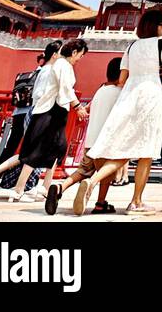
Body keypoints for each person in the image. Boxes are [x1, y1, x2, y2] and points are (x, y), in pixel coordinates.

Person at [78, 8, 162, 214]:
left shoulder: (131, 46)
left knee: (124, 147)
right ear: (157, 26)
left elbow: (121, 79)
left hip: (129, 95)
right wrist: (157, 67)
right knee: (146, 151)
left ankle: (93, 181)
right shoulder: (161, 43)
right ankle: (136, 202)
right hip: (151, 95)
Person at [0, 39, 88, 204]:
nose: (79, 59)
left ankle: (45, 188)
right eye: (80, 56)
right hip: (52, 111)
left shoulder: (60, 65)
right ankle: (18, 189)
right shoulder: (63, 65)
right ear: (75, 52)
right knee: (37, 150)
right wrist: (78, 106)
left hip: (56, 111)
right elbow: (66, 88)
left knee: (58, 148)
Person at [0, 42, 61, 198]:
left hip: (25, 113)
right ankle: (2, 178)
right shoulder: (48, 72)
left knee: (36, 151)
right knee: (32, 153)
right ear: (54, 55)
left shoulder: (41, 71)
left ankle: (19, 183)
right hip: (38, 114)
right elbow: (39, 95)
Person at [46, 56, 122, 216]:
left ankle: (60, 187)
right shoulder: (119, 93)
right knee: (106, 174)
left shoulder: (100, 91)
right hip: (106, 142)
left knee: (82, 171)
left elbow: (87, 110)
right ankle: (101, 203)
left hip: (90, 141)